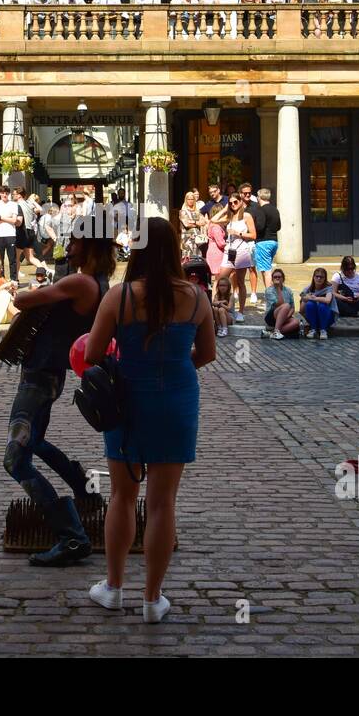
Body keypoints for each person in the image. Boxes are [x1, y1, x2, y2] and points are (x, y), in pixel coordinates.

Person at [85, 218, 215, 622]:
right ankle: (152, 599)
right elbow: (207, 353)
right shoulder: (195, 297)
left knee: (123, 497)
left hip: (127, 403)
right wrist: (176, 369)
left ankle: (114, 587)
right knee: (163, 503)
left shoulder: (119, 297)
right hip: (176, 400)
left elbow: (90, 354)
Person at [4, 233, 116, 567]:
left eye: (76, 242)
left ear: (91, 247)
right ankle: (83, 489)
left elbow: (23, 301)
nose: (69, 246)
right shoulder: (94, 281)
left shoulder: (81, 282)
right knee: (34, 441)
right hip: (47, 374)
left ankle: (72, 536)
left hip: (40, 378)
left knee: (15, 460)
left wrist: (22, 291)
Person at [216, 193, 256, 319]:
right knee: (220, 279)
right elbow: (213, 220)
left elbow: (253, 235)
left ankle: (241, 311)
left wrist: (238, 233)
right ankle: (220, 305)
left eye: (235, 202)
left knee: (240, 281)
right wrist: (225, 208)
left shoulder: (246, 216)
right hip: (229, 251)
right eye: (231, 203)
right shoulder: (229, 216)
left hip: (241, 250)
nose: (233, 205)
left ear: (241, 202)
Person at [0, 185, 22, 281]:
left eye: (6, 193)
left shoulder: (13, 204)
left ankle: (14, 279)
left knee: (12, 259)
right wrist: (8, 219)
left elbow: (14, 221)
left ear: (9, 194)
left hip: (10, 234)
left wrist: (1, 218)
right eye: (3, 193)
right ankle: (1, 279)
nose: (5, 195)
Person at [252, 189, 281, 291]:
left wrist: (252, 227)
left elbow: (260, 226)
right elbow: (278, 227)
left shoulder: (261, 210)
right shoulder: (275, 210)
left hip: (263, 242)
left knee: (266, 271)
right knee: (266, 268)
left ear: (259, 197)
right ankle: (269, 294)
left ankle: (270, 296)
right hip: (274, 241)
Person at [299, 266, 338, 340]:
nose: (319, 279)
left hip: (327, 317)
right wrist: (304, 300)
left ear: (325, 278)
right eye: (317, 276)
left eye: (321, 277)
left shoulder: (329, 288)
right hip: (313, 318)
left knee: (322, 305)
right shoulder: (307, 289)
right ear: (313, 277)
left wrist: (314, 298)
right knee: (310, 304)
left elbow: (327, 300)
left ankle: (323, 330)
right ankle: (313, 329)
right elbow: (301, 310)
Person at [260, 268, 299, 340]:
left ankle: (271, 333)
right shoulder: (269, 290)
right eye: (275, 277)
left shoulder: (288, 290)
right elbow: (280, 304)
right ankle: (276, 331)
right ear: (272, 279)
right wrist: (278, 288)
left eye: (279, 277)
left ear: (283, 279)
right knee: (286, 305)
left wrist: (287, 316)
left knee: (296, 322)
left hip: (285, 316)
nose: (277, 278)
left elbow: (292, 308)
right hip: (271, 316)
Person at [178, 190, 207, 261]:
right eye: (189, 199)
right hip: (187, 239)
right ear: (186, 200)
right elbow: (187, 224)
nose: (190, 201)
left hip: (197, 239)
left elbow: (203, 222)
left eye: (192, 199)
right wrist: (197, 223)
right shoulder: (182, 211)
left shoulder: (197, 211)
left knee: (197, 258)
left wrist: (193, 222)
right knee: (187, 259)